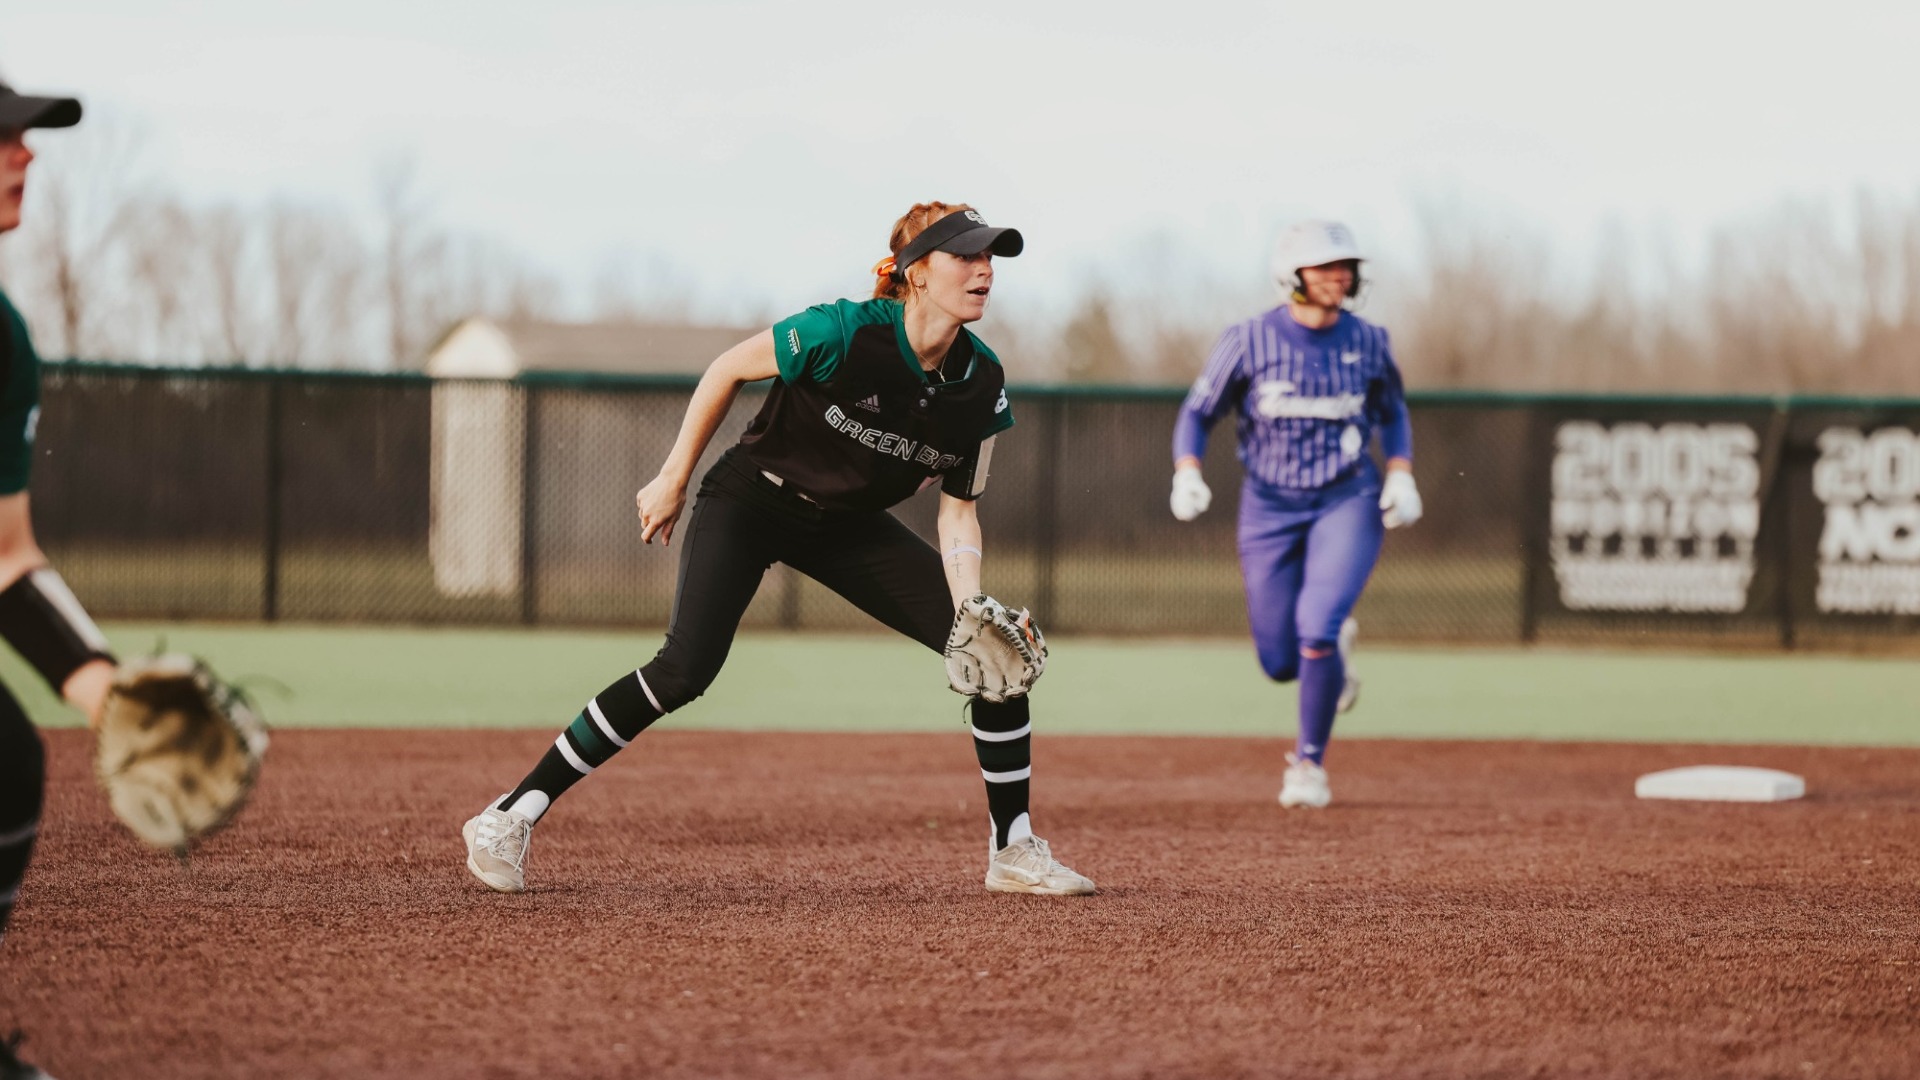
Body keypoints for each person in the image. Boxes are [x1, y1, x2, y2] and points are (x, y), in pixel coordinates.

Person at [461, 202, 1095, 897]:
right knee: (683, 670)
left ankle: (1013, 848)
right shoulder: (842, 331)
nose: (984, 270)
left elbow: (959, 513)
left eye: (990, 257)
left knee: (996, 658)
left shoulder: (982, 383)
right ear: (916, 272)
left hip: (849, 525)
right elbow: (727, 369)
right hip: (753, 499)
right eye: (966, 255)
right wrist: (673, 476)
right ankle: (508, 815)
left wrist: (969, 605)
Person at [1169, 220, 1421, 809]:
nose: (1341, 276)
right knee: (1280, 660)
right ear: (1292, 275)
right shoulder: (1248, 339)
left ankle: (1308, 764)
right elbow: (1198, 412)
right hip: (1269, 505)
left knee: (1316, 627)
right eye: (1327, 266)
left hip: (1346, 497)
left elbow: (1393, 412)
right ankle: (1334, 659)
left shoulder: (1369, 340)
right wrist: (1187, 469)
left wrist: (1401, 472)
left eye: (1346, 266)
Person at [0, 78, 116, 1080]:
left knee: (5, 759)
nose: (26, 153)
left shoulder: (6, 340)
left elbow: (5, 555)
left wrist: (106, 691)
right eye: (4, 137)